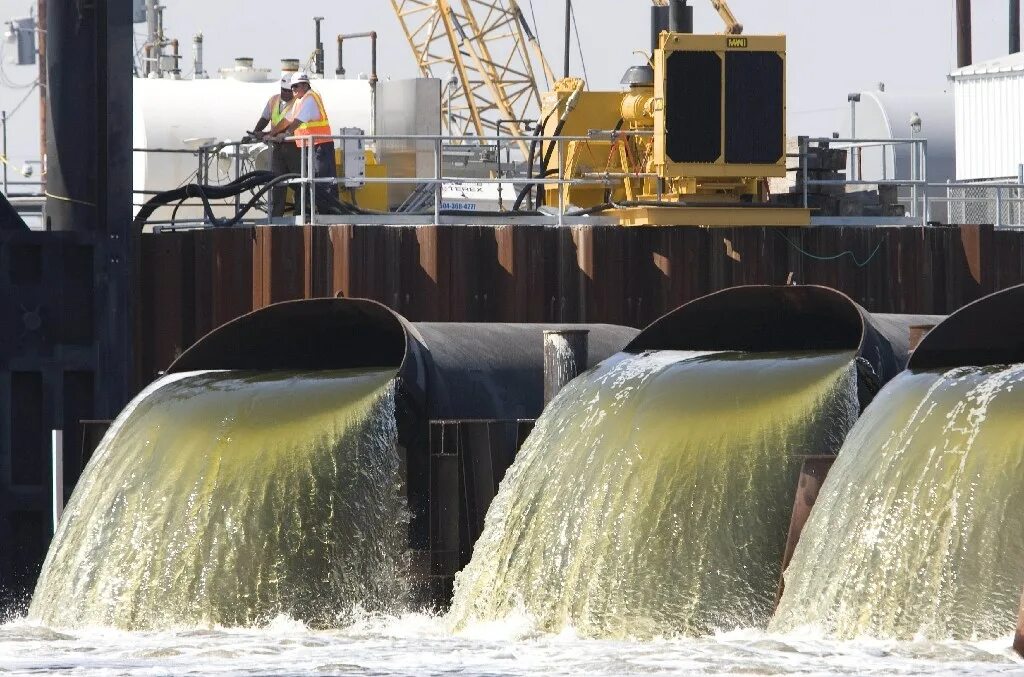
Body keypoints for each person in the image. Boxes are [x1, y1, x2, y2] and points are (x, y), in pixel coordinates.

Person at [266, 71, 342, 215]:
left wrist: (286, 134)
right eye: (292, 87)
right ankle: (316, 213)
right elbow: (287, 120)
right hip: (309, 147)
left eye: (296, 86)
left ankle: (330, 214)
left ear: (305, 85)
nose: (293, 89)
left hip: (321, 146)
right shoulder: (299, 101)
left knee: (323, 181)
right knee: (312, 181)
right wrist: (271, 133)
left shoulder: (310, 98)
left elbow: (298, 120)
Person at [250, 73, 300, 217]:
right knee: (277, 181)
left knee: (298, 181)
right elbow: (265, 118)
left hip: (293, 147)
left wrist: (268, 134)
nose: (286, 93)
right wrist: (256, 132)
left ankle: (300, 213)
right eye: (284, 90)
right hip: (277, 148)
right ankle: (276, 216)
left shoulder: (297, 103)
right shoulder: (273, 100)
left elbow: (286, 124)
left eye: (289, 91)